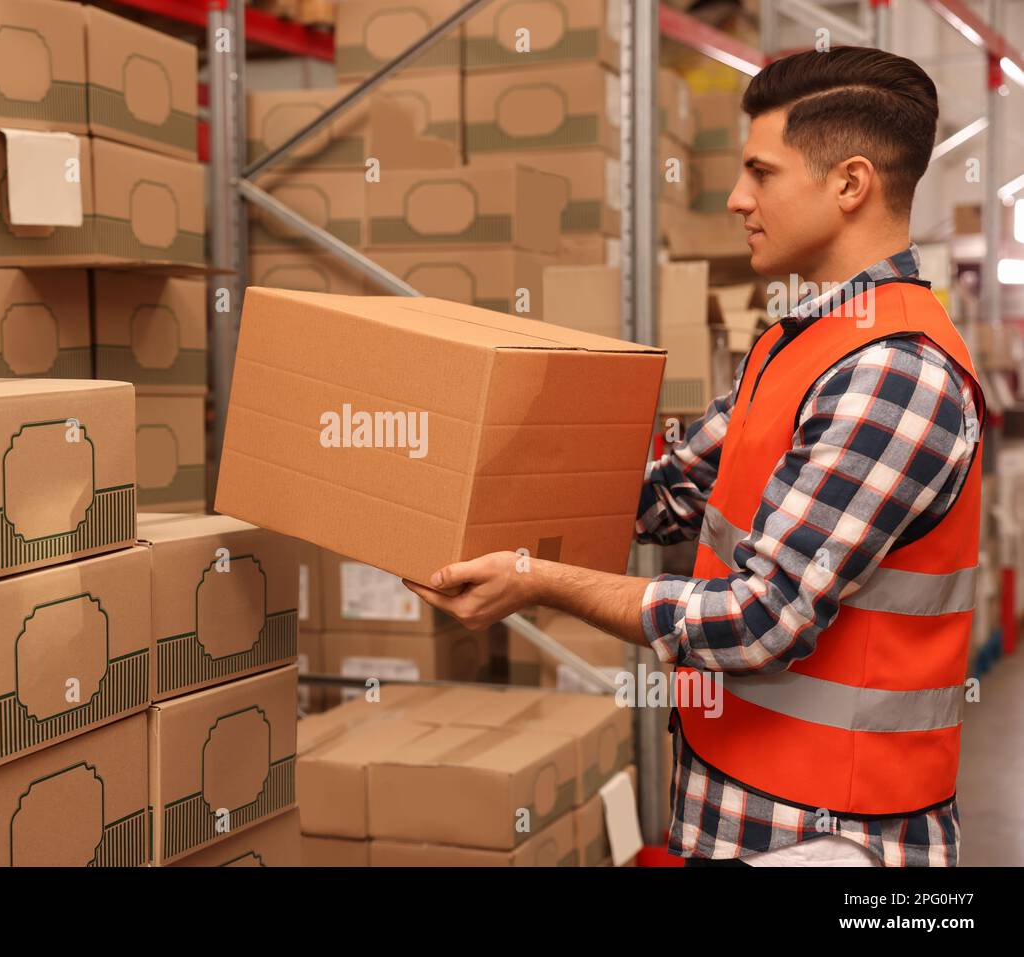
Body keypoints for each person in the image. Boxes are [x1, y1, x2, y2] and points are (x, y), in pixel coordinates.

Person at [403, 47, 982, 868]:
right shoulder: (802, 344)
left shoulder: (894, 373)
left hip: (828, 838)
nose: (738, 198)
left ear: (850, 185)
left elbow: (759, 619)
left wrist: (537, 579)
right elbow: (663, 495)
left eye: (761, 171)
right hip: (735, 802)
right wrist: (434, 489)